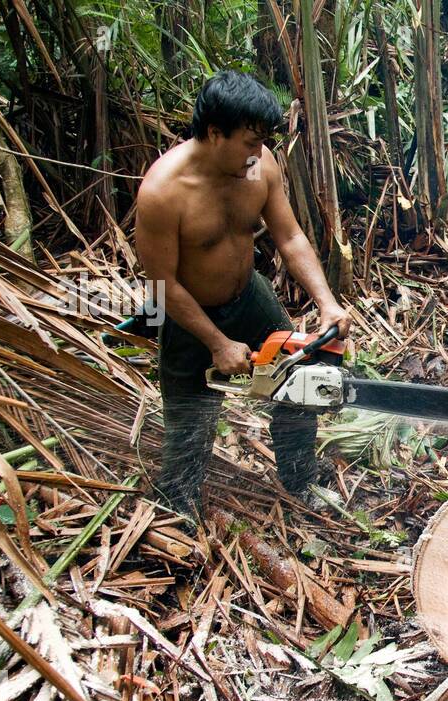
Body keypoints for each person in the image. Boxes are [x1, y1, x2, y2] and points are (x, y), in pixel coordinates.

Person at [134, 70, 355, 521]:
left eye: (261, 143)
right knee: (190, 426)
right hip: (189, 315)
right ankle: (177, 512)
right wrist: (216, 343)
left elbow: (290, 236)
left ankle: (300, 482)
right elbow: (163, 286)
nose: (258, 153)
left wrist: (326, 301)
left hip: (249, 296)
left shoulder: (258, 165)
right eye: (249, 142)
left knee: (299, 385)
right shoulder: (163, 192)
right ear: (215, 133)